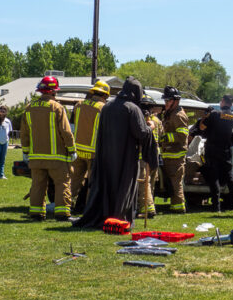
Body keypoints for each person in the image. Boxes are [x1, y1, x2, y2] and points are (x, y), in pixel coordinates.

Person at [74, 77, 158, 228]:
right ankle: (120, 217)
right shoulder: (132, 108)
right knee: (124, 187)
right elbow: (140, 133)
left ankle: (104, 215)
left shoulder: (107, 107)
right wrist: (151, 127)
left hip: (105, 157)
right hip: (125, 159)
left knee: (106, 187)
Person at [20, 77, 76, 221]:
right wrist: (72, 150)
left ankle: (36, 214)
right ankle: (62, 214)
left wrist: (26, 152)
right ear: (53, 91)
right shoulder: (57, 107)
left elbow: (24, 133)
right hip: (57, 158)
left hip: (36, 158)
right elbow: (66, 132)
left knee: (38, 185)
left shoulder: (29, 108)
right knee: (62, 184)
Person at [198, 94, 233, 212]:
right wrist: (230, 136)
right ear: (231, 104)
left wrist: (204, 117)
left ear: (223, 102)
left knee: (214, 177)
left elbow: (202, 127)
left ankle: (216, 207)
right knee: (229, 176)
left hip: (212, 149)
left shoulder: (214, 114)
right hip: (226, 150)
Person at [69, 80, 109, 207]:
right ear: (105, 95)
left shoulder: (79, 105)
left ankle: (65, 206)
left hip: (78, 151)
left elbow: (73, 125)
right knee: (93, 183)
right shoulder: (103, 108)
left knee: (73, 181)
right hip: (94, 153)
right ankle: (89, 209)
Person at [160, 86, 189, 213]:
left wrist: (166, 137)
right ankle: (175, 206)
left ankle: (178, 208)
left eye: (168, 101)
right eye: (165, 101)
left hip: (176, 156)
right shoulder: (170, 114)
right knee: (171, 184)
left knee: (175, 183)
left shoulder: (178, 115)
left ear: (175, 101)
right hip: (169, 154)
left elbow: (182, 136)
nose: (165, 103)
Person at [138, 94, 163, 218]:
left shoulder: (142, 120)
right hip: (155, 155)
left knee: (144, 183)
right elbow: (162, 135)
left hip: (144, 156)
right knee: (150, 184)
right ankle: (149, 207)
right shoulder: (157, 121)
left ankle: (147, 209)